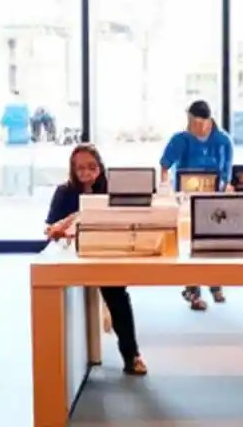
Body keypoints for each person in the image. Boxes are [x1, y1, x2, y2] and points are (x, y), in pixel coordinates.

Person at [45, 144, 147, 376]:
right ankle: (57, 369)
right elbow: (50, 227)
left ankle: (132, 356)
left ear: (100, 166)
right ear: (72, 169)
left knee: (117, 295)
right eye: (80, 168)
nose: (86, 172)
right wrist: (61, 228)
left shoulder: (112, 189)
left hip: (106, 252)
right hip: (73, 254)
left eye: (91, 166)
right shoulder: (64, 192)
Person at [159, 100, 233, 311]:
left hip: (213, 198)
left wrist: (225, 190)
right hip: (186, 198)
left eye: (199, 122)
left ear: (209, 121)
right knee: (191, 243)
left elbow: (226, 171)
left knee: (213, 241)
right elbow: (164, 166)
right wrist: (167, 191)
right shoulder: (180, 140)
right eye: (191, 121)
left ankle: (215, 283)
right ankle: (193, 290)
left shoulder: (223, 140)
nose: (195, 126)